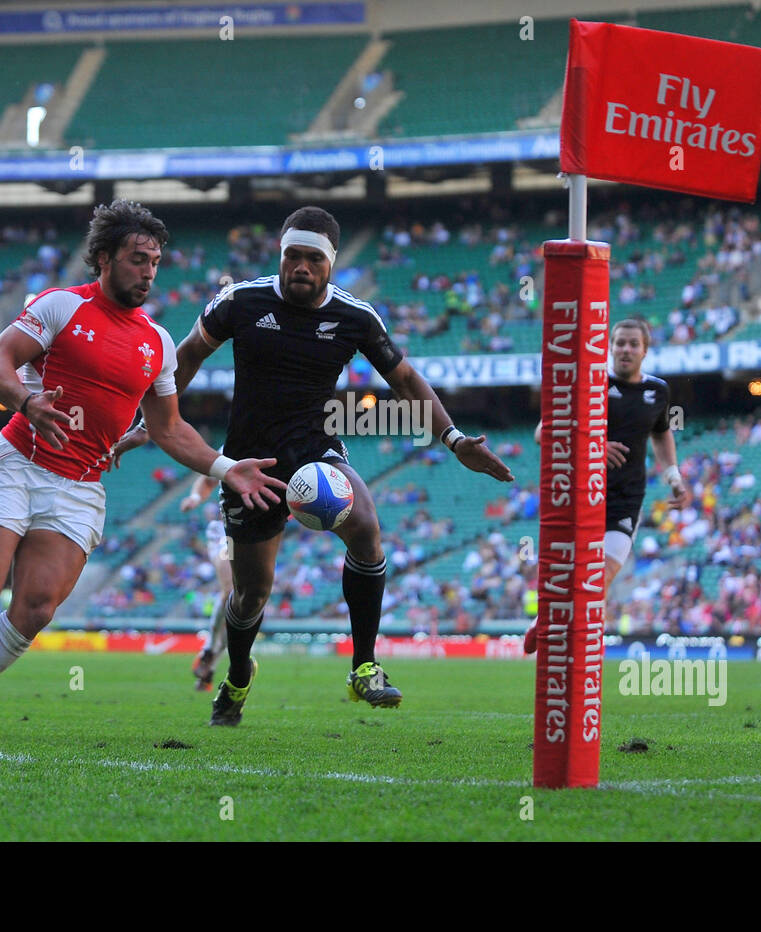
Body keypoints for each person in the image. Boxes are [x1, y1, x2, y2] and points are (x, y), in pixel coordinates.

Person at [0, 199, 285, 737]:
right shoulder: (58, 307)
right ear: (103, 258)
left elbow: (168, 429)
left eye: (154, 262)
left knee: (34, 610)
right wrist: (27, 403)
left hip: (79, 486)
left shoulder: (158, 343)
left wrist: (226, 468)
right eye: (136, 259)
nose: (147, 271)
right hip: (19, 463)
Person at [114, 206, 514, 726]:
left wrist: (454, 438)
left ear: (331, 263)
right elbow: (186, 356)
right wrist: (151, 422)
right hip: (246, 462)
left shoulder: (356, 318)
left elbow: (407, 381)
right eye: (292, 257)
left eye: (312, 259)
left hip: (318, 451)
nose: (300, 267)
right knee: (251, 592)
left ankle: (365, 666)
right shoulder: (240, 301)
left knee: (367, 529)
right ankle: (237, 677)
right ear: (280, 256)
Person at [524, 318, 690, 653]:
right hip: (579, 495)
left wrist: (673, 475)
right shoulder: (588, 383)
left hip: (625, 499)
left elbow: (660, 432)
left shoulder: (657, 392)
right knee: (573, 573)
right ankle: (552, 623)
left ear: (645, 350)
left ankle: (553, 629)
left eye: (633, 344)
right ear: (609, 346)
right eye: (619, 343)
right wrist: (593, 448)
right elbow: (543, 434)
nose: (625, 349)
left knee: (600, 578)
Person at [180, 472, 231, 691]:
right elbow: (207, 479)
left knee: (244, 609)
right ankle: (210, 645)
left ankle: (208, 668)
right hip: (226, 531)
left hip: (260, 532)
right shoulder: (231, 447)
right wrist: (195, 498)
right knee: (231, 592)